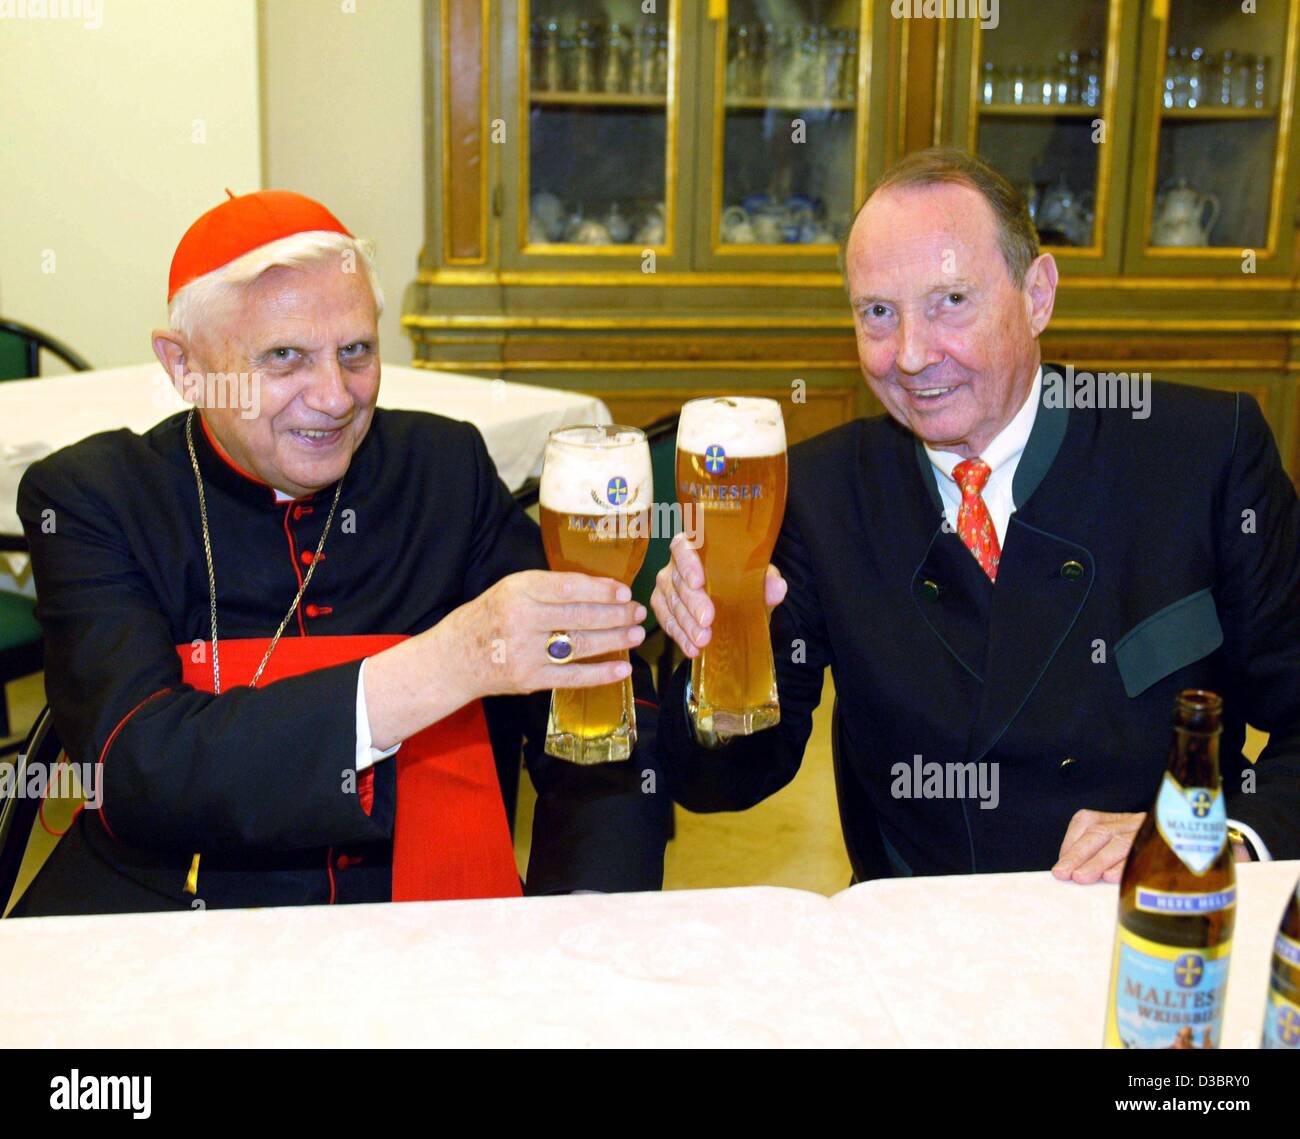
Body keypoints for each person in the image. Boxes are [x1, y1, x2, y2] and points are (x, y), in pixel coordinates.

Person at [12, 189, 667, 916]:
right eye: (285, 357)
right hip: (168, 915)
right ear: (184, 365)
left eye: (356, 351)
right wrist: (449, 662)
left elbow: (593, 699)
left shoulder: (443, 467)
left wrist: (583, 914)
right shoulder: (93, 496)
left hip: (415, 919)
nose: (334, 397)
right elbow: (136, 770)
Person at [653, 148, 1300, 883]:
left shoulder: (1204, 454)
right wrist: (716, 653)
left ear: (1037, 295)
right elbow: (726, 783)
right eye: (877, 314)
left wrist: (1215, 840)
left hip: (1152, 926)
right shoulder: (820, 493)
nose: (912, 355)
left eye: (951, 301)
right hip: (928, 948)